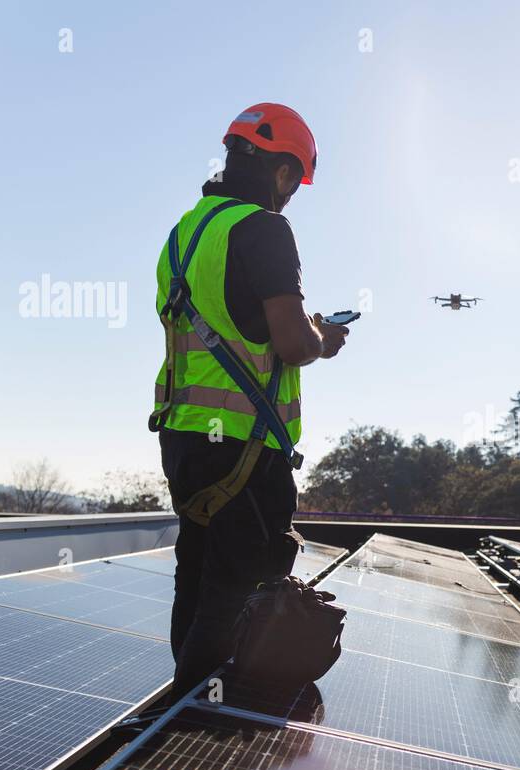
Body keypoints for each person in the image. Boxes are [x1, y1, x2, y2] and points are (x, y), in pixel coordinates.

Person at [151, 103, 348, 696]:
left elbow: (226, 326)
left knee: (195, 577)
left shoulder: (183, 235)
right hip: (245, 446)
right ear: (282, 173)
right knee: (237, 594)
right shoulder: (264, 229)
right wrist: (325, 339)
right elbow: (291, 342)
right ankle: (194, 724)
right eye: (294, 183)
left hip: (184, 439)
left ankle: (178, 710)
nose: (291, 197)